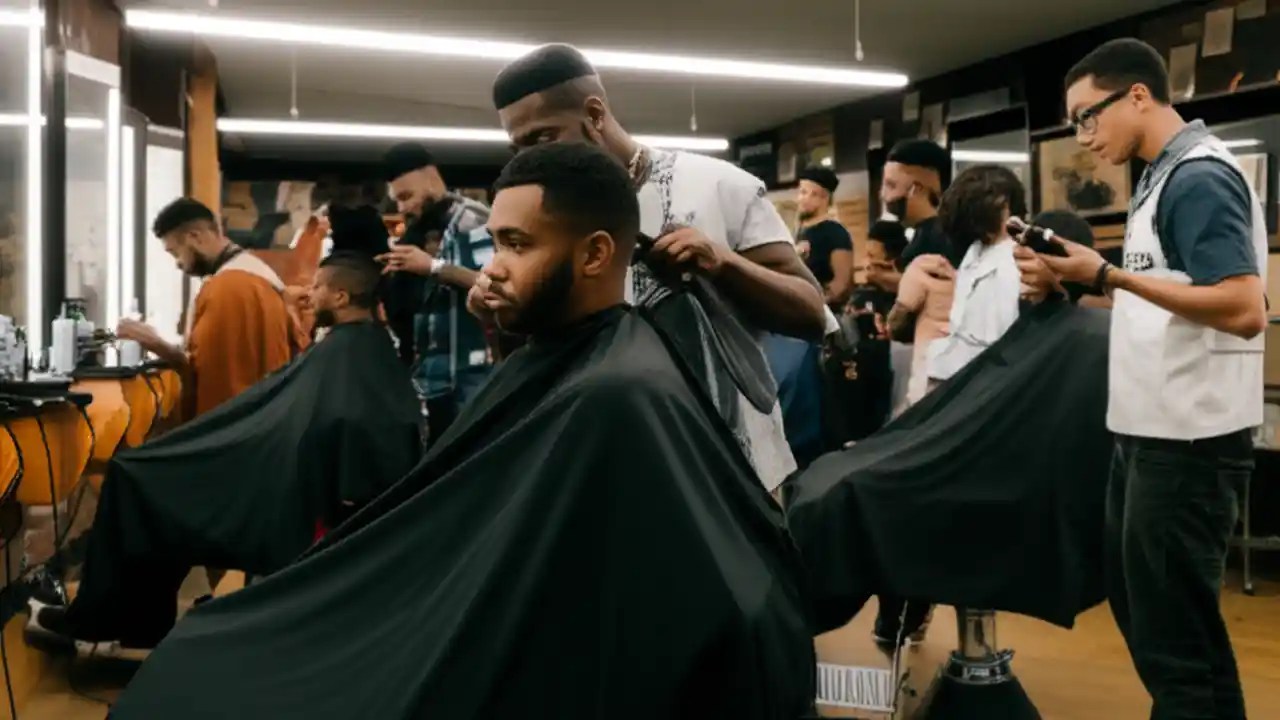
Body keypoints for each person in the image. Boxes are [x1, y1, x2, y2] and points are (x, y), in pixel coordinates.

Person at [108, 142, 815, 720]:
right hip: (443, 622)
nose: (491, 268)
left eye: (514, 244)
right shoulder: (578, 362)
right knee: (210, 645)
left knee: (203, 672)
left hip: (474, 660)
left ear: (597, 255)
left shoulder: (613, 394)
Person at [27, 252, 422, 657]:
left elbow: (341, 428)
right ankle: (131, 625)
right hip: (285, 483)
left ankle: (104, 621)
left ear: (340, 297)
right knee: (148, 478)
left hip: (287, 502)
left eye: (319, 287)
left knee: (137, 477)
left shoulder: (344, 354)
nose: (310, 294)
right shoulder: (363, 350)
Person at [1037, 38, 1266, 720]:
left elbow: (1244, 307)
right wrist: (1079, 281)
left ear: (1138, 95)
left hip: (1188, 443)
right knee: (1163, 626)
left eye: (1088, 116)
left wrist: (1105, 273)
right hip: (1148, 432)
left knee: (1174, 647)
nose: (1083, 137)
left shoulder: (1196, 177)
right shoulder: (1159, 179)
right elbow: (1164, 296)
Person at [488, 43, 828, 493]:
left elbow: (811, 314)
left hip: (736, 469)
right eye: (518, 147)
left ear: (594, 114)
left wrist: (723, 263)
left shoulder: (719, 186)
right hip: (612, 464)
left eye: (542, 138)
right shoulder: (550, 215)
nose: (528, 160)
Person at [116, 198, 303, 419]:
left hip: (236, 428)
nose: (178, 264)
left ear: (195, 237)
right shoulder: (252, 275)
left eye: (175, 252)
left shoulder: (230, 287)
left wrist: (156, 344)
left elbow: (216, 379)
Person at [378, 143, 495, 441]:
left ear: (431, 181)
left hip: (471, 375)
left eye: (406, 196)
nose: (401, 208)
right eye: (397, 200)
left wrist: (432, 267)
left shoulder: (474, 220)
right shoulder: (422, 228)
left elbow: (494, 286)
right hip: (433, 379)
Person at [795, 166, 854, 310]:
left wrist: (816, 304)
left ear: (824, 198)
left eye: (809, 194)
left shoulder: (835, 232)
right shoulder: (799, 232)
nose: (802, 199)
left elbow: (841, 284)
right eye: (801, 192)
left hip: (824, 317)